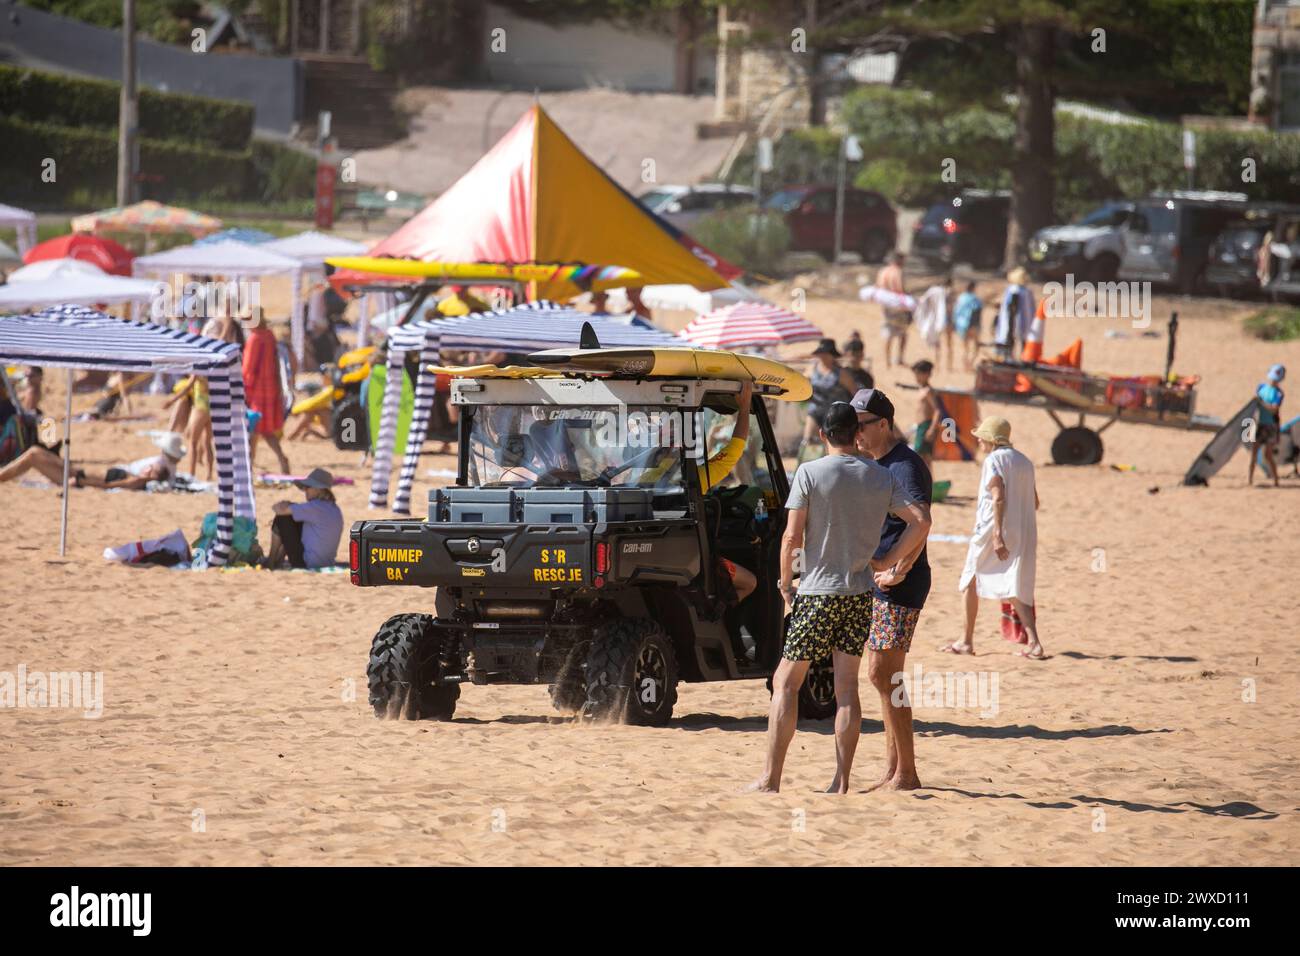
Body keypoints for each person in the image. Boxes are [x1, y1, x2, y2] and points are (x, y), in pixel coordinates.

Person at [748, 402, 930, 794]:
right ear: (856, 434)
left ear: (822, 435)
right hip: (860, 593)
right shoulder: (880, 477)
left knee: (785, 682)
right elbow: (921, 521)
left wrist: (784, 584)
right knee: (846, 688)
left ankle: (770, 779)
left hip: (816, 591)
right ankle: (841, 781)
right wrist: (887, 559)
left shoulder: (811, 473)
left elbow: (791, 538)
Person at [852, 388, 931, 791]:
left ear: (884, 424)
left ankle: (907, 773)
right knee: (883, 677)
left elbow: (922, 520)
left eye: (863, 425)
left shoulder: (904, 466)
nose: (856, 433)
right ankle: (893, 769)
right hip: (885, 581)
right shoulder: (881, 462)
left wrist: (898, 567)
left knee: (885, 675)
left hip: (900, 583)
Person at [942, 416, 1044, 659]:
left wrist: (997, 534)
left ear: (991, 439)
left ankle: (966, 641)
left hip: (991, 529)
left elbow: (998, 497)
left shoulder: (993, 461)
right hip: (1024, 529)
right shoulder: (1025, 462)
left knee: (969, 579)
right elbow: (1035, 502)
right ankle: (1034, 643)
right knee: (1014, 583)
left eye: (981, 437)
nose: (978, 440)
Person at [0, 431, 186, 490]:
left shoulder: (137, 480)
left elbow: (108, 485)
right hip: (77, 472)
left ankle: (1, 476)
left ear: (152, 476)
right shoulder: (144, 475)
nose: (146, 468)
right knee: (35, 452)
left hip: (75, 477)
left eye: (150, 469)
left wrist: (80, 481)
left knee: (34, 455)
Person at [264, 468, 344, 569]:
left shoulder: (314, 507)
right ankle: (278, 560)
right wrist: (292, 505)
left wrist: (287, 504)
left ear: (319, 489)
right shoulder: (334, 508)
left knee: (282, 518)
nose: (305, 491)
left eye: (307, 487)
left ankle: (271, 561)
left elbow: (277, 509)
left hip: (307, 564)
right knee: (295, 518)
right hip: (327, 562)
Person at [242, 308, 291, 474]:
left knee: (255, 429)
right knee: (260, 430)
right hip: (271, 386)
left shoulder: (254, 339)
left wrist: (243, 390)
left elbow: (249, 369)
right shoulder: (269, 335)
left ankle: (253, 464)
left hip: (257, 391)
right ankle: (257, 463)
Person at [801, 338, 858, 455]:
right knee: (808, 441)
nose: (823, 356)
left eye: (826, 353)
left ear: (832, 355)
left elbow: (855, 393)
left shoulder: (842, 374)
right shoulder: (812, 369)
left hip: (836, 415)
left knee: (833, 447)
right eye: (821, 353)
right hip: (816, 411)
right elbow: (801, 383)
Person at [1249, 364, 1286, 488]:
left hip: (1270, 426)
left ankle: (1276, 480)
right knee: (1253, 453)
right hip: (1258, 424)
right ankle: (1250, 480)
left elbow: (1274, 410)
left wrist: (1262, 403)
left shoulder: (1279, 394)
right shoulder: (1261, 387)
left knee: (1267, 455)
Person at [877, 252, 912, 368]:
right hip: (898, 306)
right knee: (902, 333)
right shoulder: (898, 272)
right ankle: (899, 358)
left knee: (888, 332)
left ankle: (886, 360)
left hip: (886, 306)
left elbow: (878, 287)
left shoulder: (883, 271)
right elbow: (900, 289)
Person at [909, 360, 943, 469]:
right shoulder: (922, 389)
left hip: (926, 426)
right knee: (923, 457)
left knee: (923, 457)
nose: (916, 377)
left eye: (919, 374)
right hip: (920, 426)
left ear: (927, 374)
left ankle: (928, 482)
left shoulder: (928, 391)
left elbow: (937, 410)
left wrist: (932, 429)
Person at [996, 267, 1035, 360]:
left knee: (1010, 339)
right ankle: (1024, 358)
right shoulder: (1027, 291)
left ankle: (1010, 358)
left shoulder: (1010, 290)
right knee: (1024, 341)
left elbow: (1005, 307)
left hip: (1011, 321)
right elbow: (1032, 308)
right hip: (1025, 322)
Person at [952, 280, 983, 370]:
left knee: (965, 348)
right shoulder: (975, 298)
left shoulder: (961, 298)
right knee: (976, 347)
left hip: (962, 326)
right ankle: (970, 363)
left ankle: (965, 365)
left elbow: (956, 312)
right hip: (973, 325)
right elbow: (979, 310)